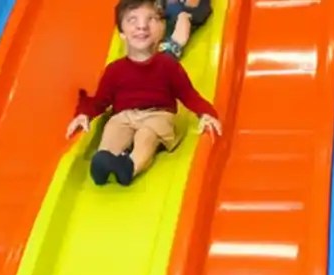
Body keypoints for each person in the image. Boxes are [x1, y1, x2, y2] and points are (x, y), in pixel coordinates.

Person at [66, 0, 222, 187]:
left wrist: (206, 114)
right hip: (125, 115)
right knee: (114, 127)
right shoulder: (114, 70)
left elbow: (189, 96)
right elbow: (100, 101)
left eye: (150, 20)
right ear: (122, 33)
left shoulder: (168, 66)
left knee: (146, 135)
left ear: (162, 28)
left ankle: (130, 166)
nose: (142, 26)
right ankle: (105, 158)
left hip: (158, 114)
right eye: (133, 20)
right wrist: (84, 114)